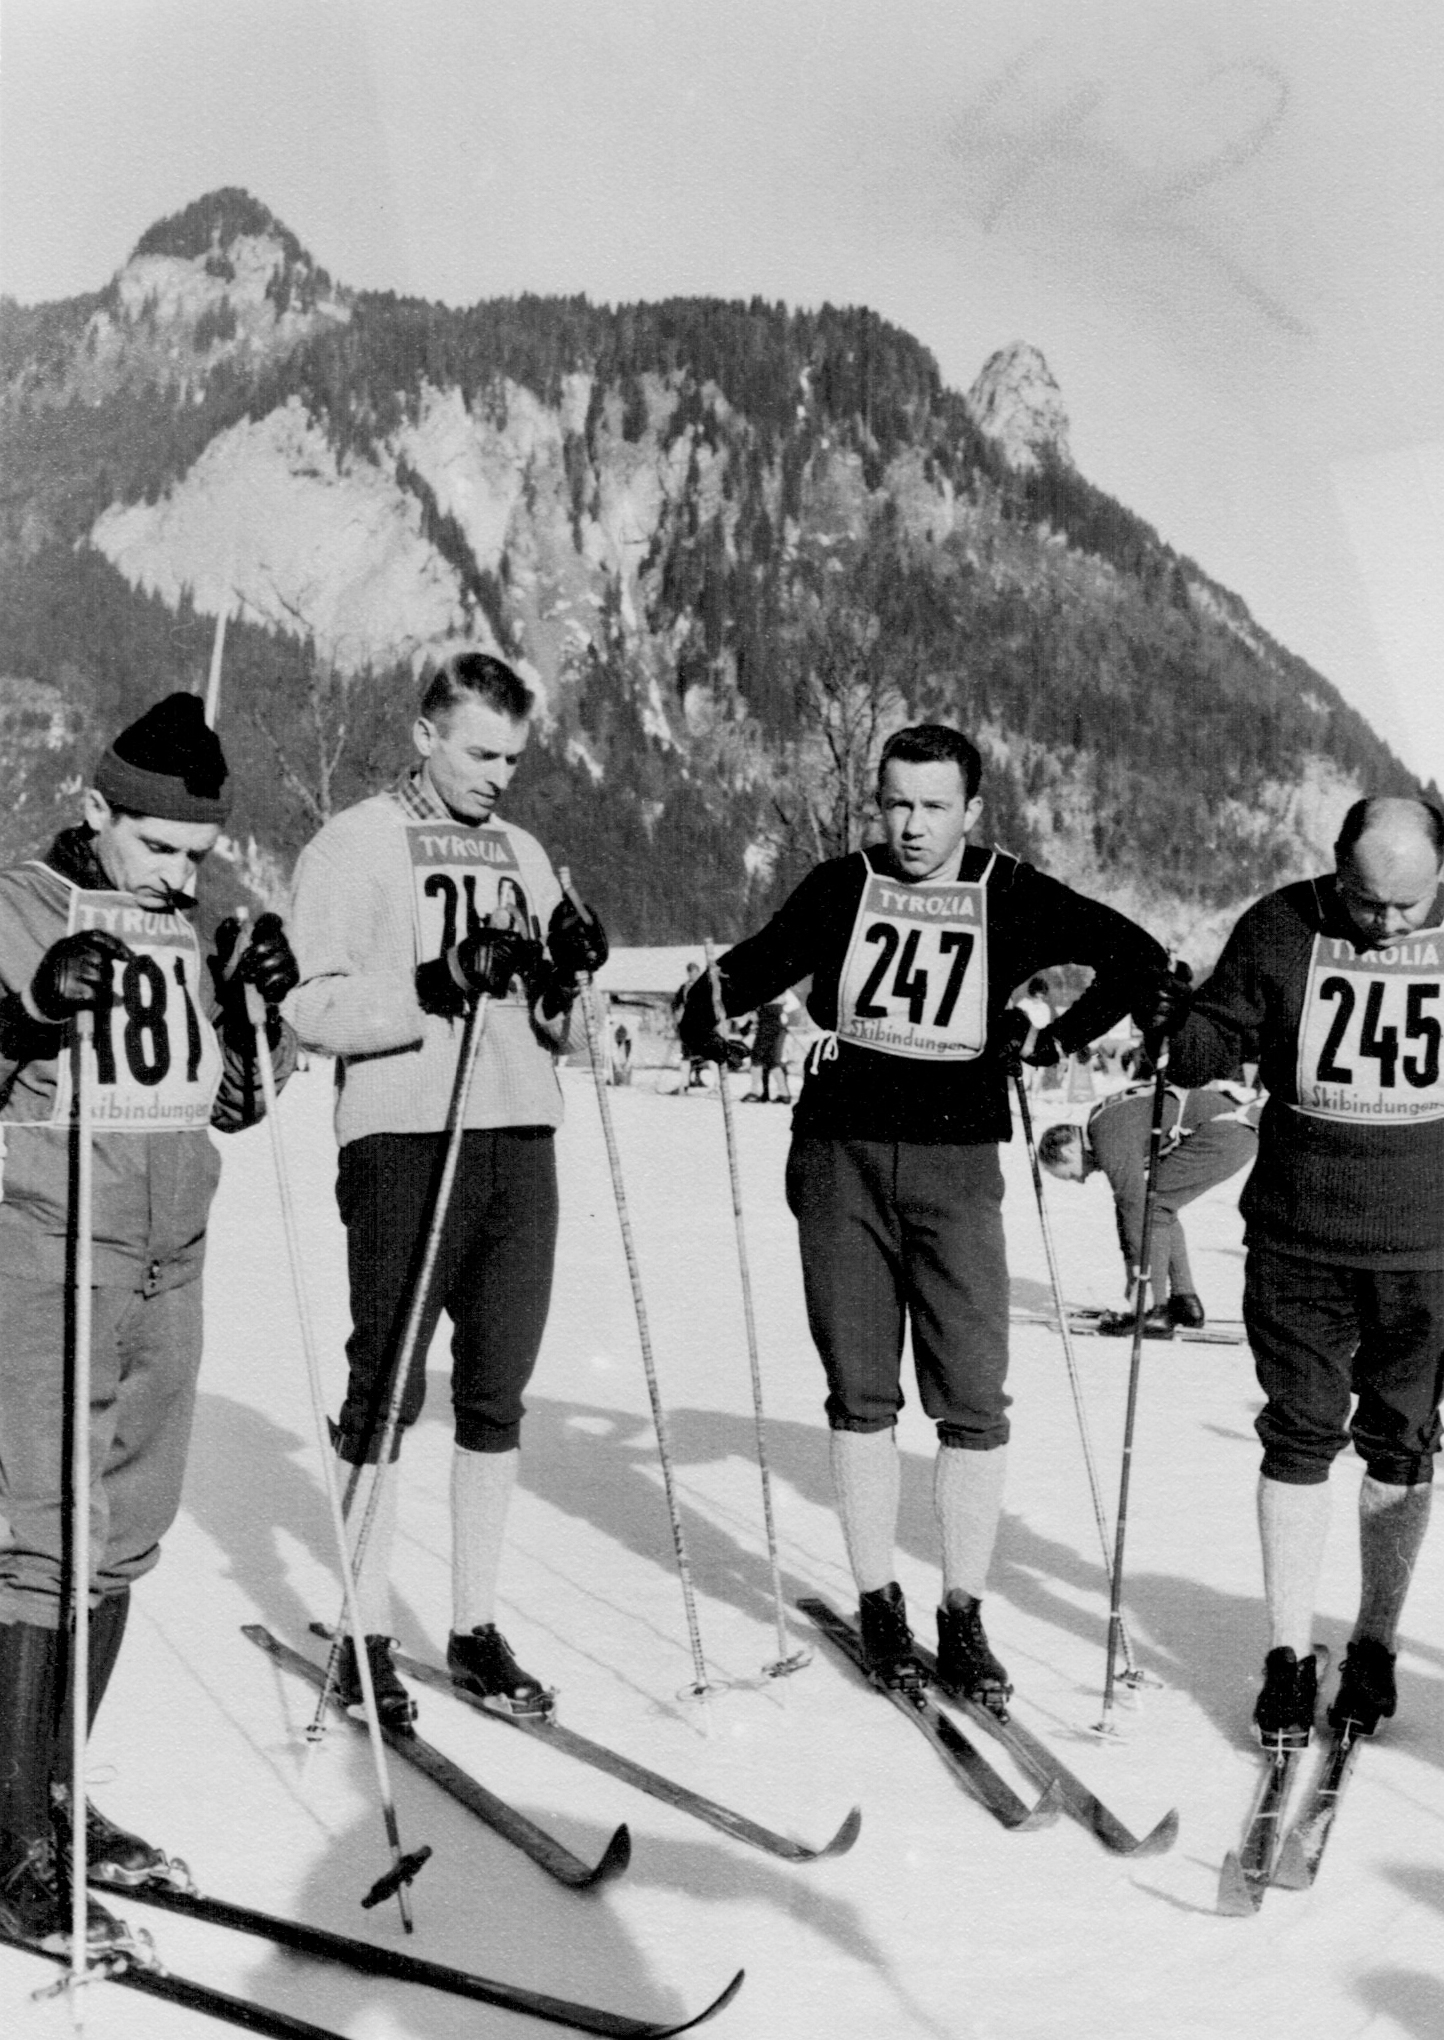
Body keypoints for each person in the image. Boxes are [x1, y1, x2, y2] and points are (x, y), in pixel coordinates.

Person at [681, 724, 1165, 1705]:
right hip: (838, 1160)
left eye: (933, 806)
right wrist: (712, 1017)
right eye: (895, 802)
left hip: (954, 1167)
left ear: (970, 811)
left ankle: (963, 1611)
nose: (911, 825)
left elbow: (1137, 959)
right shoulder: (838, 888)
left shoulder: (1008, 891)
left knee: (972, 1396)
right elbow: (739, 976)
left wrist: (1049, 1033)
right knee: (860, 1392)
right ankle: (879, 1603)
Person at [0, 694, 299, 1950]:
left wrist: (253, 1010)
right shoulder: (18, 903)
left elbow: (229, 1105)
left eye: (198, 856)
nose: (183, 878)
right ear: (94, 810)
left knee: (125, 1534)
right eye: (160, 849)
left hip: (171, 1254)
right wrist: (28, 1009)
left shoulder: (189, 920)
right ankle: (12, 1836)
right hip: (44, 1244)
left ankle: (58, 1798)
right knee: (41, 1533)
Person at [287, 650, 607, 1730]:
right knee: (386, 1386)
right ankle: (363, 1629)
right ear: (425, 734)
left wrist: (570, 977)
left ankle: (473, 1626)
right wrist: (433, 983)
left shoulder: (523, 850)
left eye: (513, 757)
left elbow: (571, 1032)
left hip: (519, 1134)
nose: (497, 776)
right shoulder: (354, 843)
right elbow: (312, 1009)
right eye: (478, 752)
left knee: (495, 1393)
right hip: (406, 1135)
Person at [1141, 794, 1444, 1748]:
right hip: (1300, 1237)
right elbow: (1210, 1045)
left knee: (1402, 1443)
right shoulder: (1283, 924)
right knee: (1299, 1436)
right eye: (1365, 902)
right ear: (1336, 869)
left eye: (1407, 906)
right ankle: (1286, 1655)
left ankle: (1374, 1645)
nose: (1386, 927)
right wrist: (1177, 1024)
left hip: (1428, 1246)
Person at [1038, 1084, 1260, 1333]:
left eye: (1069, 1174)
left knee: (1154, 1208)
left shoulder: (1106, 1135)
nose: (1079, 1180)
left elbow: (1134, 1207)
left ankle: (1153, 1309)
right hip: (1232, 1125)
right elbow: (1128, 1206)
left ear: (1069, 1149)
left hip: (1224, 1131)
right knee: (1160, 1207)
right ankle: (1184, 1301)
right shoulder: (1101, 1122)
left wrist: (1138, 1283)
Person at [742, 992, 795, 1103]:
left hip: (768, 1022)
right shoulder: (781, 988)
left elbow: (755, 1010)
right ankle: (784, 1094)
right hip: (777, 1025)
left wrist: (748, 1024)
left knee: (757, 1058)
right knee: (773, 1060)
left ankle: (755, 1092)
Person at [1012, 976, 1053, 1094]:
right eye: (1037, 996)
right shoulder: (1023, 1005)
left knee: (1039, 1074)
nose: (1039, 999)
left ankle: (1035, 1099)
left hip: (1040, 1043)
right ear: (1032, 993)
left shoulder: (1045, 1007)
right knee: (1025, 1075)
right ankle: (1018, 1100)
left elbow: (1045, 1026)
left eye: (1042, 996)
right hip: (1025, 1043)